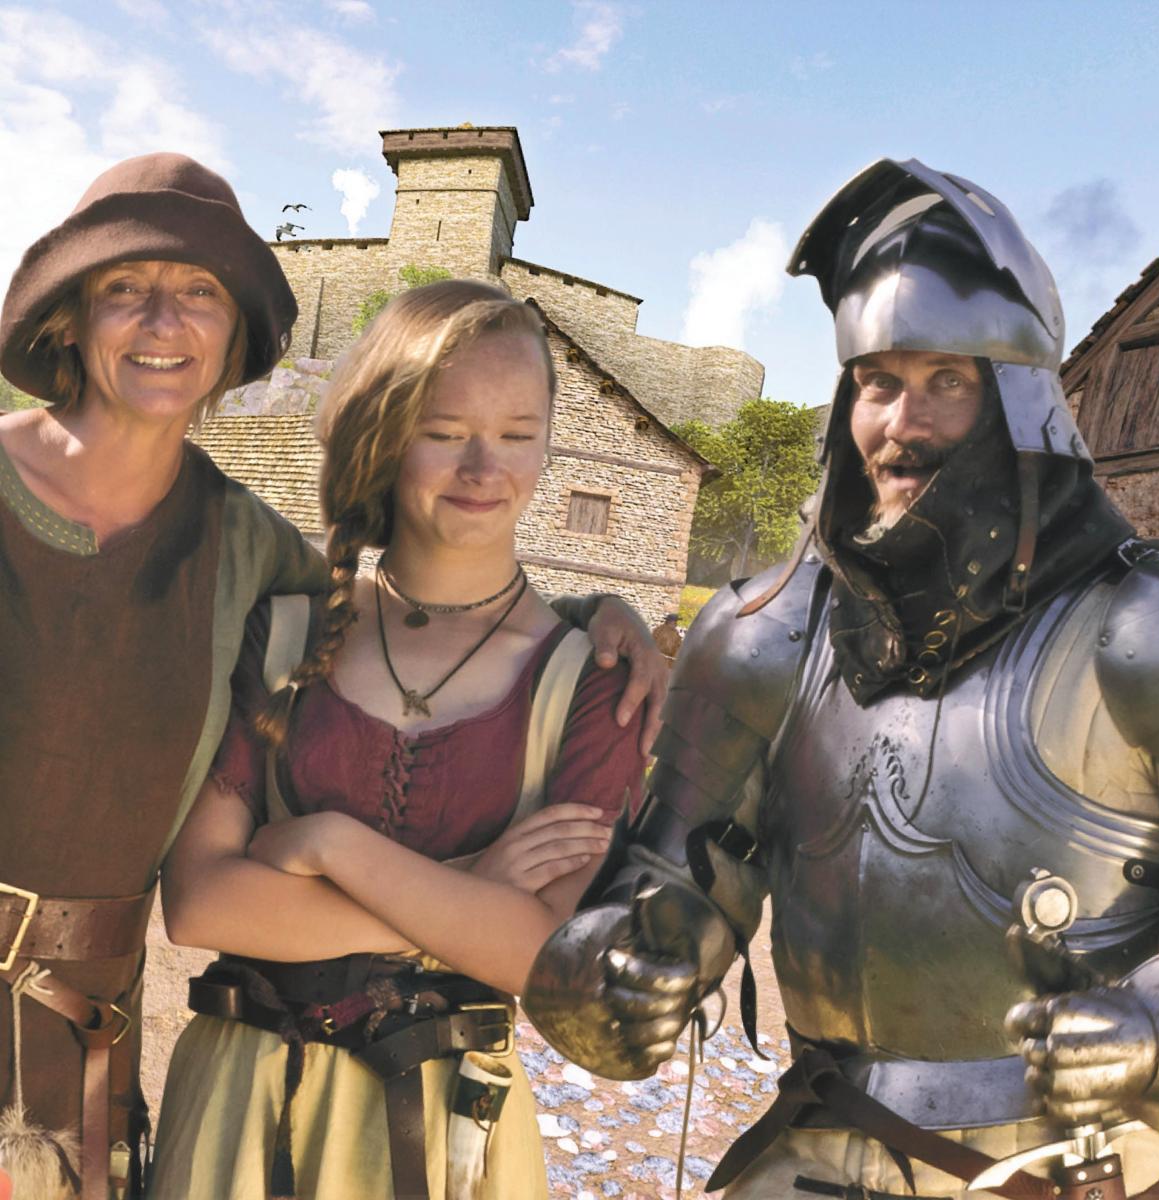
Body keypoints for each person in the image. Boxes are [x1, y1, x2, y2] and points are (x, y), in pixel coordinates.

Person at [524, 160, 1159, 1199]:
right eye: (878, 382)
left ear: (1019, 399)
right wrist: (619, 964)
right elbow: (674, 877)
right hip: (818, 1154)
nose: (900, 424)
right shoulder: (766, 630)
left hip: (1065, 1168)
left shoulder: (1154, 625)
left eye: (946, 382)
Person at [0, 156, 663, 1200]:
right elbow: (205, 901)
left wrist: (598, 616)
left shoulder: (254, 557)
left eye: (201, 290)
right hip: (201, 1075)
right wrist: (464, 902)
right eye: (126, 285)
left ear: (233, 336)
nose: (165, 322)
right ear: (70, 316)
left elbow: (438, 592)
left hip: (82, 1033)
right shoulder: (273, 609)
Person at [148, 280, 648, 1200]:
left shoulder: (593, 682)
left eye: (518, 434)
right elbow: (201, 904)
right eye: (445, 431)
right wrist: (467, 892)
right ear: (382, 434)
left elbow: (539, 960)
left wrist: (331, 845)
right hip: (241, 1112)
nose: (484, 468)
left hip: (451, 1137)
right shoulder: (284, 633)